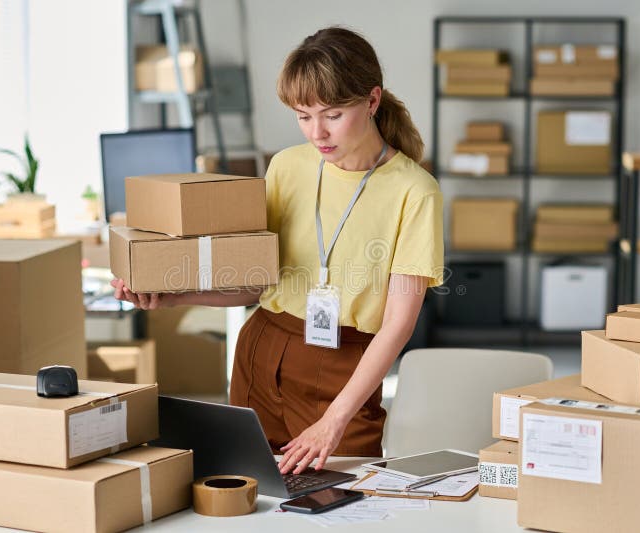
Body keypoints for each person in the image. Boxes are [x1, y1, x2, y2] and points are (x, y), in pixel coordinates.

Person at [112, 26, 444, 475]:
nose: (317, 132)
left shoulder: (415, 191)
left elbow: (397, 325)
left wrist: (333, 421)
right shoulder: (286, 167)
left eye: (332, 114)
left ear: (371, 101)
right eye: (303, 116)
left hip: (346, 369)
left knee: (347, 504)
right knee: (253, 493)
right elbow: (256, 284)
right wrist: (172, 296)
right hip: (262, 350)